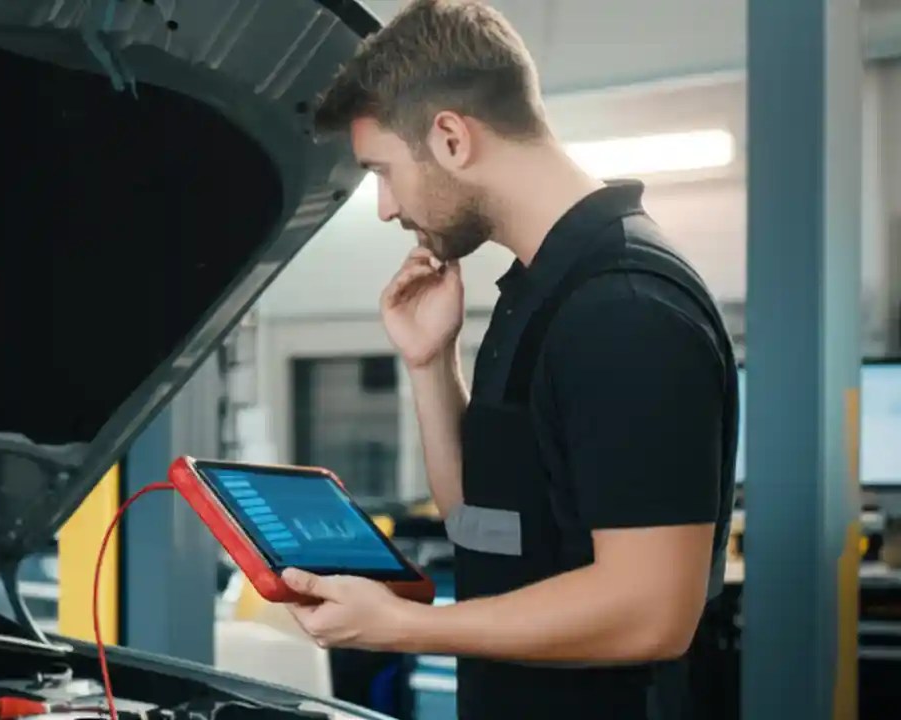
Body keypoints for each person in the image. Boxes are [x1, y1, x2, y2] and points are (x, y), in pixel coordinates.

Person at [277, 1, 739, 718]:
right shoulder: (537, 292)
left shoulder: (624, 308)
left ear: (453, 137)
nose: (385, 207)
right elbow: (479, 524)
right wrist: (431, 364)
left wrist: (405, 628)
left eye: (384, 172)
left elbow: (654, 612)